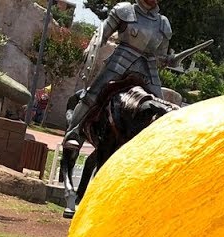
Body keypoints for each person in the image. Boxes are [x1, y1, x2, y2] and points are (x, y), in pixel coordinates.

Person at [64, 0, 174, 149]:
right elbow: (102, 34)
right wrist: (91, 49)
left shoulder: (163, 23)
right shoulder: (125, 10)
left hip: (148, 68)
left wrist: (169, 60)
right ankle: (73, 134)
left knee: (162, 108)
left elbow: (160, 56)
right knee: (94, 94)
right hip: (121, 60)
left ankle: (158, 147)